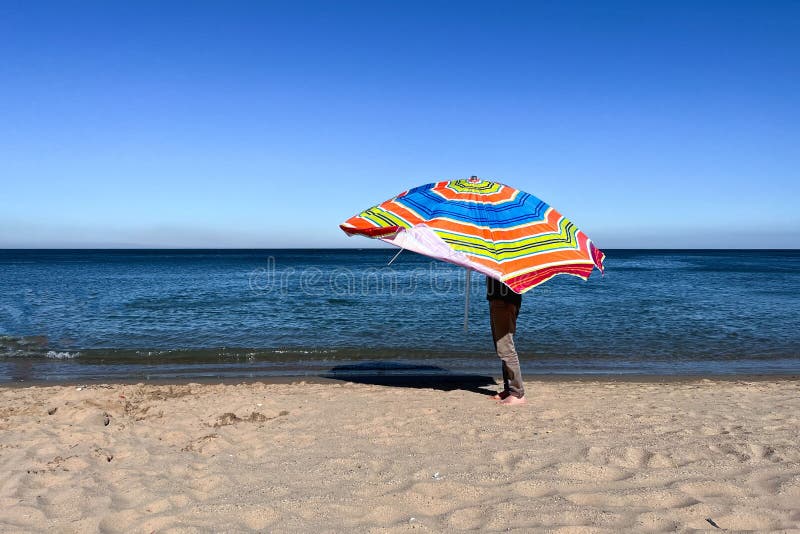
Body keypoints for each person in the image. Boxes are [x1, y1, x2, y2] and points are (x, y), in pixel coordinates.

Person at [486, 276, 526, 405]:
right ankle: (509, 389)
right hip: (499, 298)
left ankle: (517, 393)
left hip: (504, 300)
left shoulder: (507, 257)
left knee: (505, 348)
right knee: (502, 347)